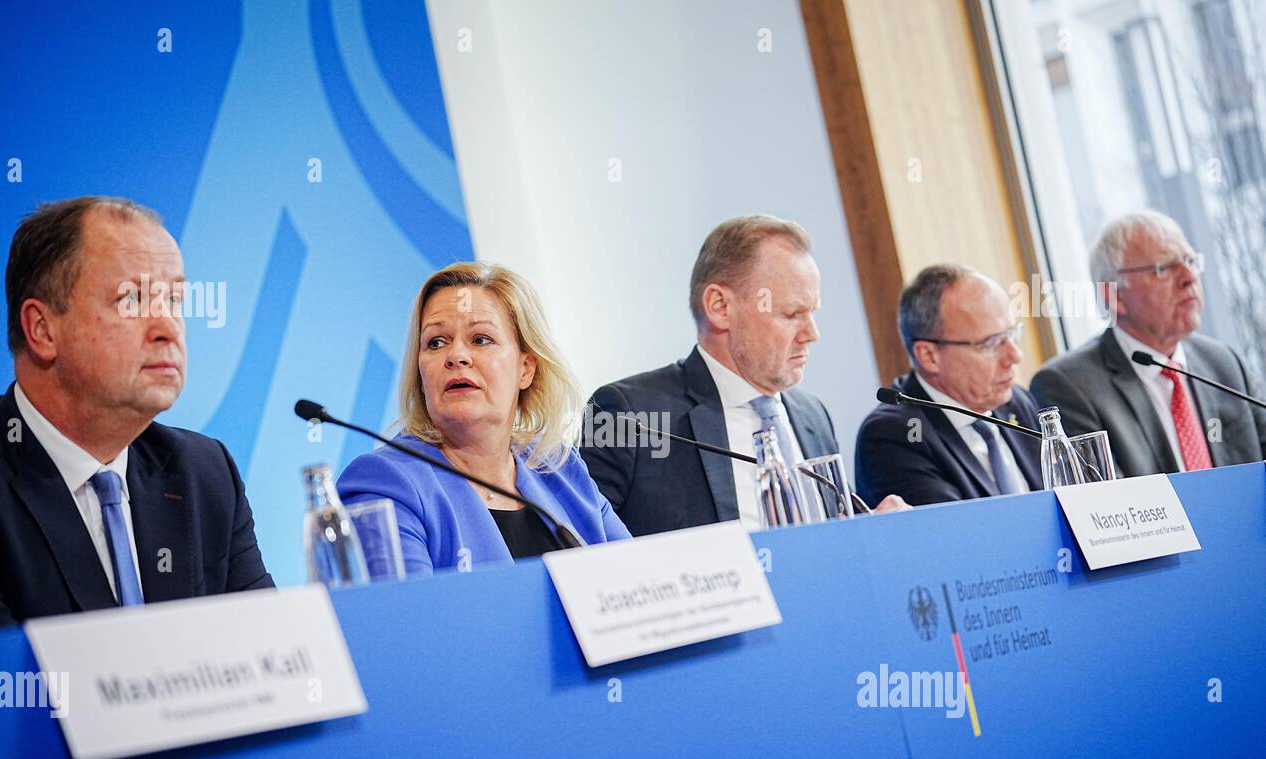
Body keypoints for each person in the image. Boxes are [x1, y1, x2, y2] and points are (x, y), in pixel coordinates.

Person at [0, 196, 273, 633]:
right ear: (42, 329)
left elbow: (266, 655)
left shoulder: (205, 474)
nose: (168, 327)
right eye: (133, 299)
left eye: (174, 300)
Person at [581, 214, 908, 535]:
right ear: (720, 307)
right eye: (792, 313)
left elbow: (838, 539)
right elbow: (583, 553)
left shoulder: (812, 415)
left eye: (813, 313)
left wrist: (872, 530)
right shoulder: (629, 413)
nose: (812, 333)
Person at [337, 262, 628, 575]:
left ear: (526, 368)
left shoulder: (559, 467)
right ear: (420, 374)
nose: (456, 356)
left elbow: (636, 581)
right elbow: (410, 617)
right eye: (436, 342)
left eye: (481, 339)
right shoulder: (385, 483)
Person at [1031, 210, 1266, 477]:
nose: (1189, 277)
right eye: (1163, 268)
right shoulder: (1069, 386)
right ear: (1114, 296)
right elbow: (1104, 506)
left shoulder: (1223, 362)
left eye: (1190, 260)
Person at [856, 266, 1043, 506]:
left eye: (1011, 334)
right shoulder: (894, 435)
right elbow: (958, 537)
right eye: (990, 343)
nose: (1015, 355)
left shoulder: (1016, 402)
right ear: (929, 356)